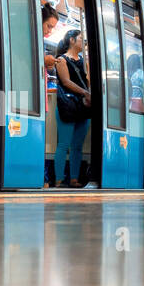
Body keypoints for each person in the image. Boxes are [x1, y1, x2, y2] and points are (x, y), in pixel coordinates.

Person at [52, 29, 91, 188]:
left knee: (77, 146)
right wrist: (86, 93)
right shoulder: (61, 60)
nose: (84, 42)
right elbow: (66, 82)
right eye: (81, 38)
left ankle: (74, 179)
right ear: (72, 40)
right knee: (64, 143)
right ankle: (59, 179)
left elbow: (88, 80)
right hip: (67, 105)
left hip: (83, 106)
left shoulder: (84, 61)